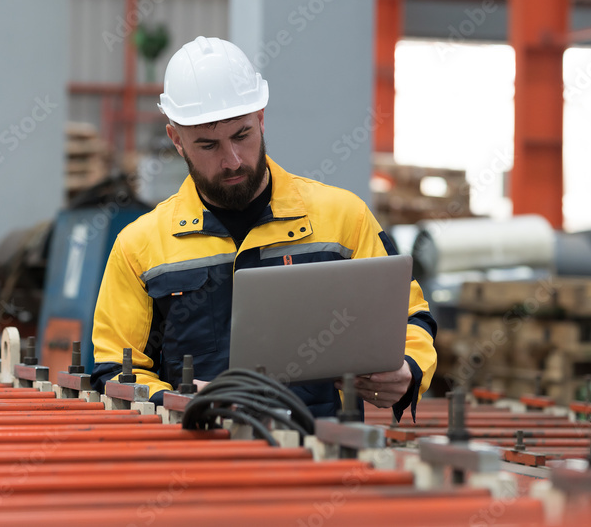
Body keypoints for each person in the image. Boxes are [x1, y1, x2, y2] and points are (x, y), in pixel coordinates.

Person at [91, 36, 437, 420]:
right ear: (177, 141)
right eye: (208, 145)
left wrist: (409, 369)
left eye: (242, 135)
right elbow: (114, 371)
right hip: (197, 461)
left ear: (260, 118)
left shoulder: (343, 219)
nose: (232, 160)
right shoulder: (139, 247)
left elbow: (409, 315)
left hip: (325, 461)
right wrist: (178, 401)